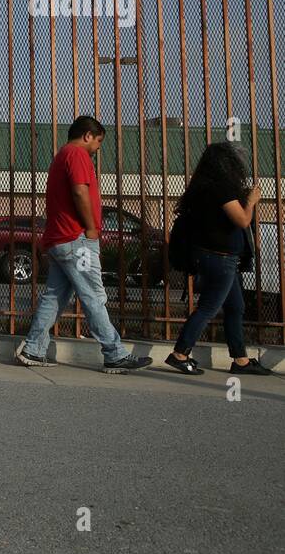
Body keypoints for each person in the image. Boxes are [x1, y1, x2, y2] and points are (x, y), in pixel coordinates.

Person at [16, 115, 152, 373]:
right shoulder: (78, 155)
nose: (97, 148)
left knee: (54, 297)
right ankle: (115, 354)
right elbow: (80, 191)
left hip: (59, 239)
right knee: (94, 296)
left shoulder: (61, 156)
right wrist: (91, 229)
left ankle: (33, 349)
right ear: (88, 135)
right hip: (76, 239)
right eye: (98, 142)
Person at [166, 142, 271, 376]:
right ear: (227, 164)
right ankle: (180, 354)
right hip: (220, 259)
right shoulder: (220, 189)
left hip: (219, 258)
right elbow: (243, 220)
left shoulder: (203, 187)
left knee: (235, 307)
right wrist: (251, 201)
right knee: (208, 307)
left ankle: (240, 359)